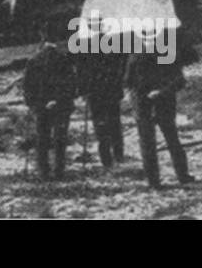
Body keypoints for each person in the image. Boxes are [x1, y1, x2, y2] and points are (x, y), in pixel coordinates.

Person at [125, 35, 195, 189]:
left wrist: (161, 91)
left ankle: (182, 175)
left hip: (164, 102)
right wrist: (140, 94)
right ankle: (154, 181)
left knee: (171, 138)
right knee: (148, 142)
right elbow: (128, 81)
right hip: (143, 104)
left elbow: (179, 80)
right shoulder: (135, 55)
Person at [22, 22, 77, 180]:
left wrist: (34, 104)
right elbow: (72, 85)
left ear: (42, 38)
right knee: (60, 139)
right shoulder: (64, 60)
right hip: (62, 106)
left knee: (42, 140)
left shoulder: (33, 61)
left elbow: (27, 87)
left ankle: (43, 172)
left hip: (41, 107)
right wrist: (60, 100)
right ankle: (59, 171)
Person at [76, 50, 127, 170]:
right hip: (109, 90)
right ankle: (117, 156)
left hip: (96, 92)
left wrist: (83, 90)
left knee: (102, 125)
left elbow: (81, 70)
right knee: (113, 123)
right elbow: (122, 64)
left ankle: (108, 159)